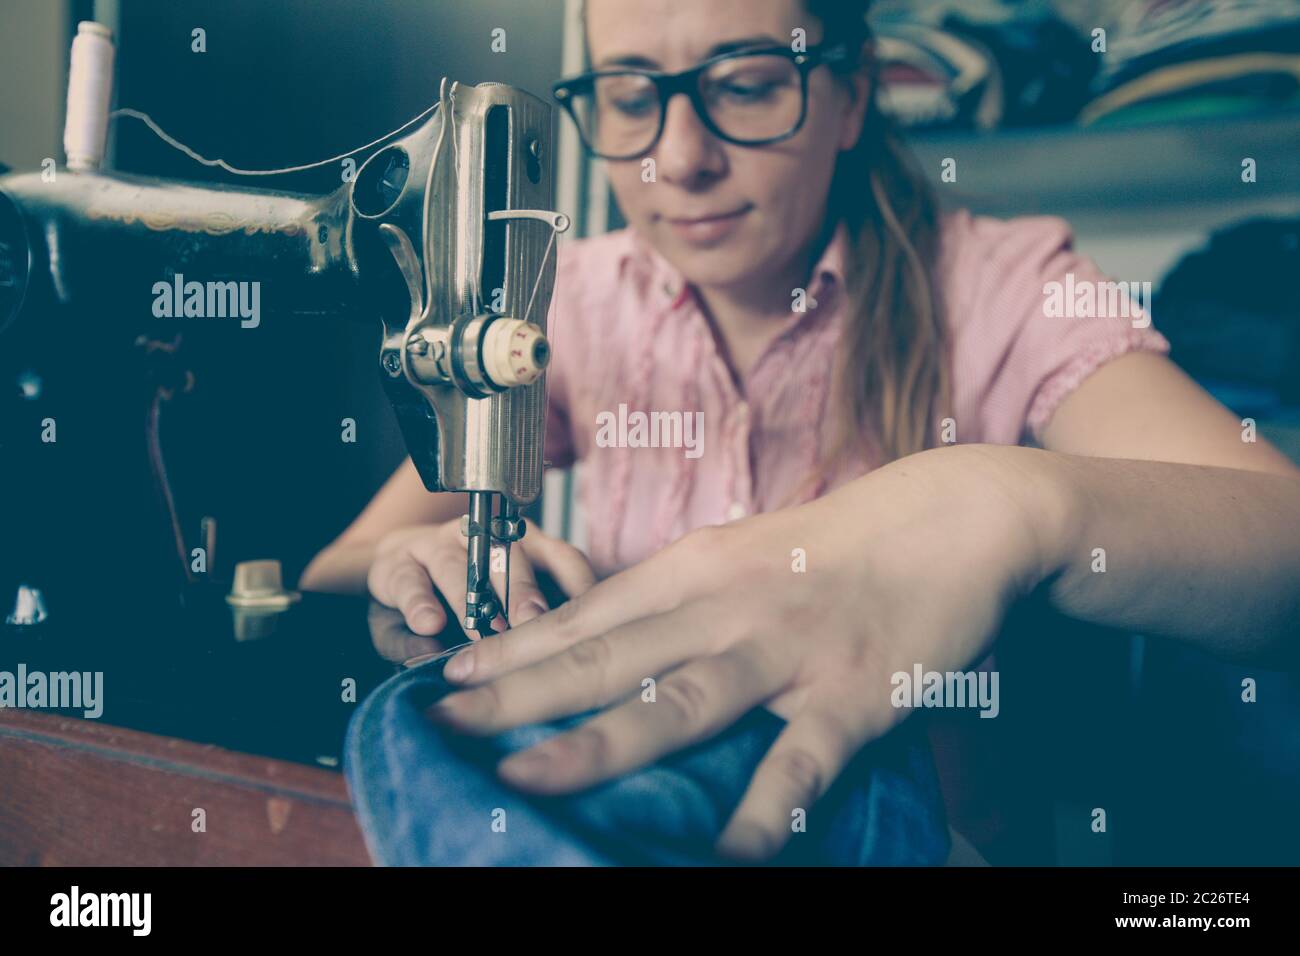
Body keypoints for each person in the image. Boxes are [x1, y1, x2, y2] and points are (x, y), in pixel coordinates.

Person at [302, 0, 1300, 861]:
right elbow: (336, 565)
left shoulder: (1003, 288)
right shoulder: (574, 306)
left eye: (741, 84)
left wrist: (1006, 504)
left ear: (851, 93)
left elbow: (1282, 547)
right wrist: (415, 554)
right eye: (631, 96)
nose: (680, 159)